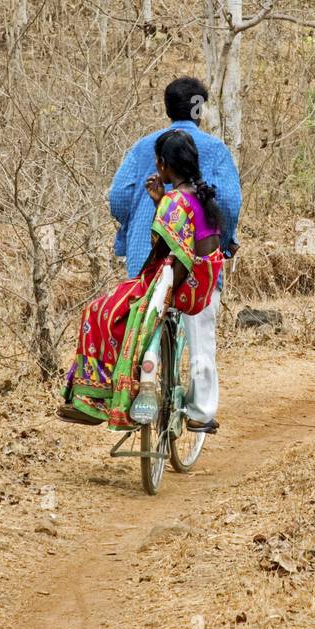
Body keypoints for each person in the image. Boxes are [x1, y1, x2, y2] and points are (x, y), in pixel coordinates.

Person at [58, 129, 227, 430]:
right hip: (200, 287)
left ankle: (94, 399)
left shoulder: (175, 201)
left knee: (99, 312)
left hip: (174, 285)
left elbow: (160, 247)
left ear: (163, 165)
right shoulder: (203, 196)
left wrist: (160, 204)